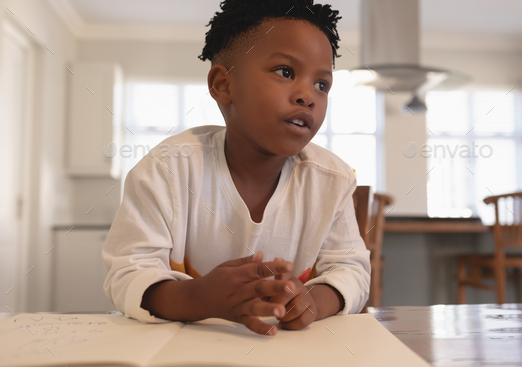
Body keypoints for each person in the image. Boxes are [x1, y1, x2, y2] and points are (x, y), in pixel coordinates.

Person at [103, 0, 370, 336]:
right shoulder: (167, 169)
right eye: (286, 72)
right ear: (222, 85)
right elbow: (127, 273)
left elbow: (351, 269)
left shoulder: (332, 180)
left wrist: (314, 300)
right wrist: (199, 297)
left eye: (322, 85)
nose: (308, 96)